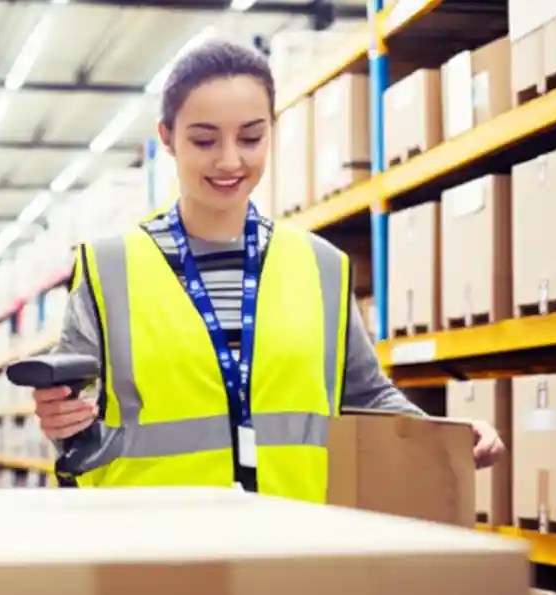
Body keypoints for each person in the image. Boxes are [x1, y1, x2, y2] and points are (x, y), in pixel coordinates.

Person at [33, 38, 504, 494]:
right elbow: (74, 422)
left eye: (251, 137)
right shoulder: (109, 266)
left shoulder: (321, 266)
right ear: (167, 139)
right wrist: (60, 419)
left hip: (294, 540)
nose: (230, 160)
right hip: (158, 546)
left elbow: (365, 397)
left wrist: (448, 436)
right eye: (204, 140)